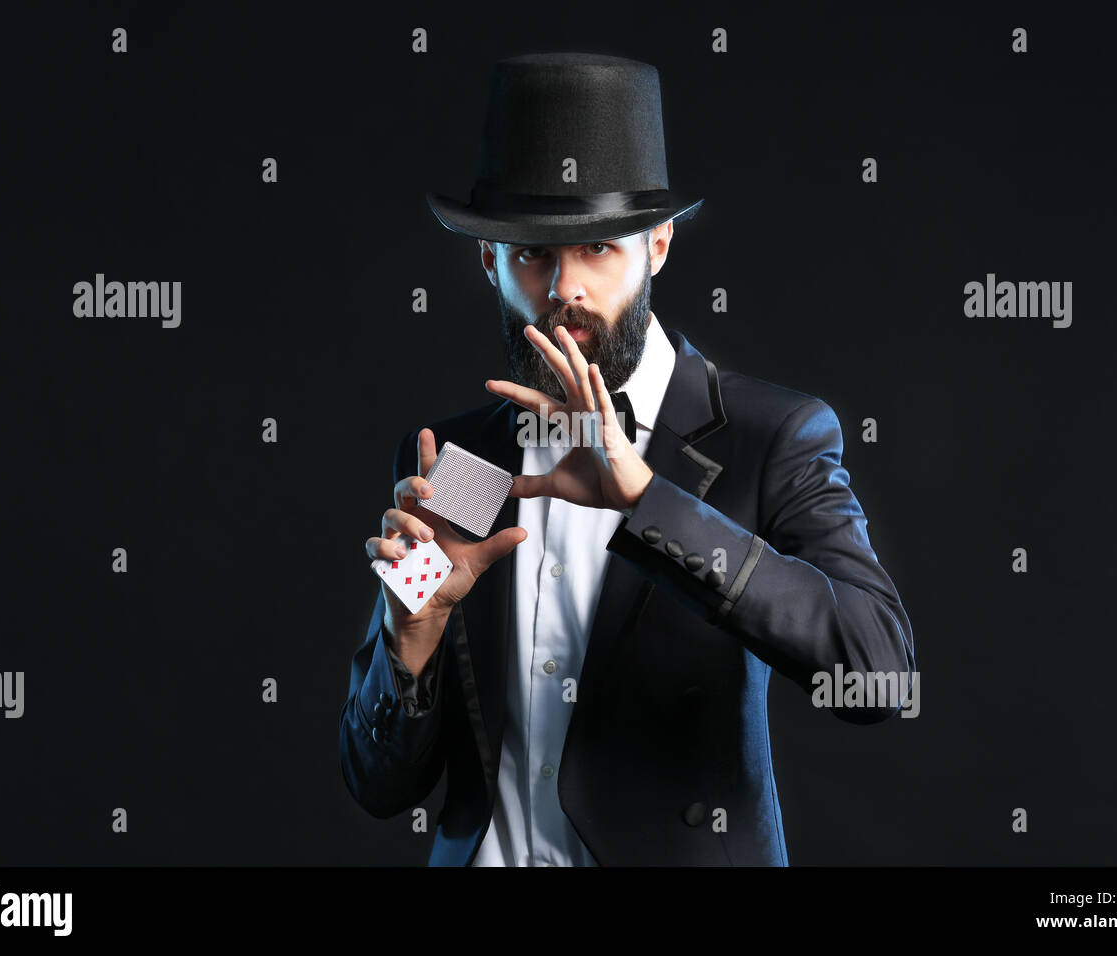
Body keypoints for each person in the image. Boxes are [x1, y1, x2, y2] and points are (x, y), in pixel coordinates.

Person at [339, 52, 916, 866]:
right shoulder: (462, 463)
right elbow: (378, 785)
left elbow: (879, 672)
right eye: (532, 255)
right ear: (489, 262)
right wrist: (414, 639)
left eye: (600, 248)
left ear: (658, 246)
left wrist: (647, 500)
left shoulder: (769, 435)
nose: (563, 287)